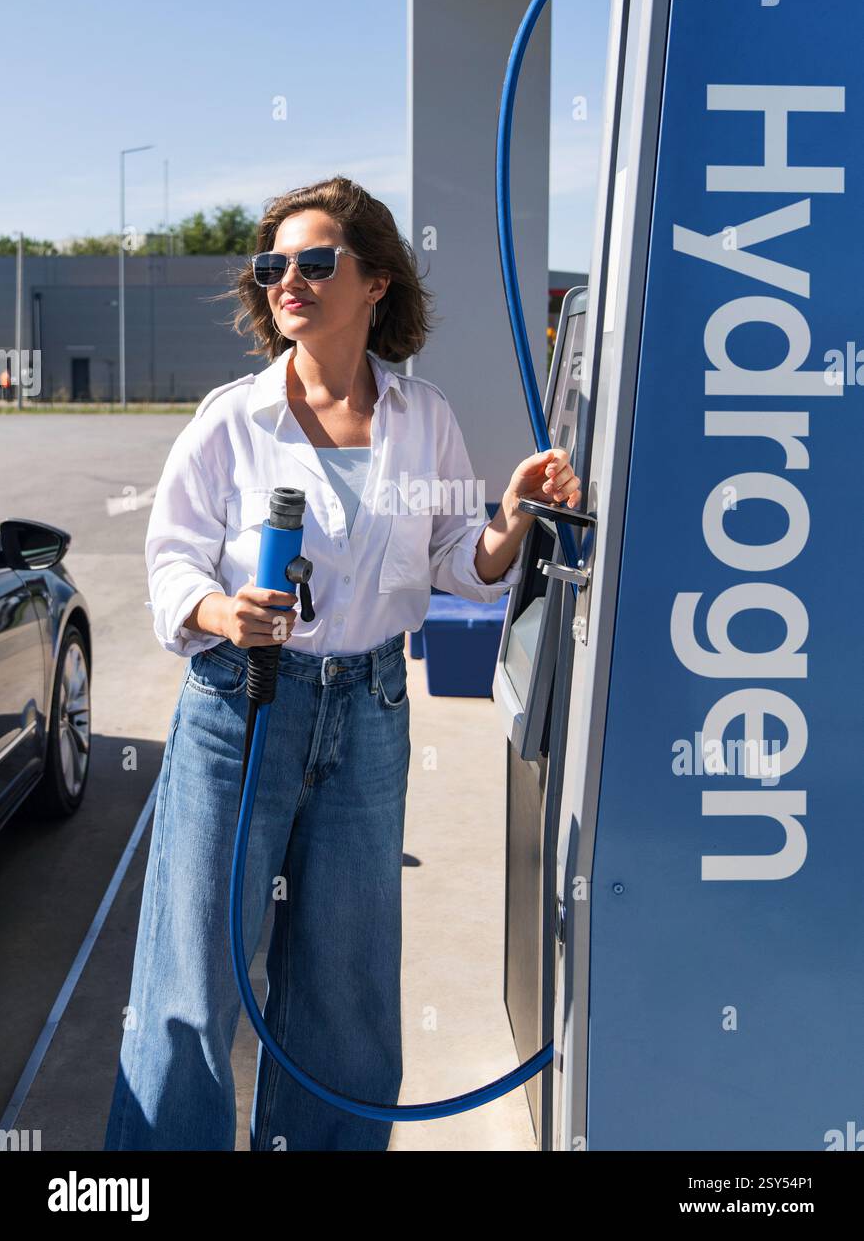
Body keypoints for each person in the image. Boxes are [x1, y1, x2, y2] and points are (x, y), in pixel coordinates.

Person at [103, 174, 581, 1152]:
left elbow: (461, 562)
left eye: (315, 261)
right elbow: (170, 563)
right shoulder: (232, 418)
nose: (289, 279)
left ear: (374, 282)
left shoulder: (421, 416)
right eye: (273, 264)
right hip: (237, 714)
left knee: (346, 1002)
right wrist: (222, 609)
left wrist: (511, 517)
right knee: (190, 996)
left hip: (368, 713)